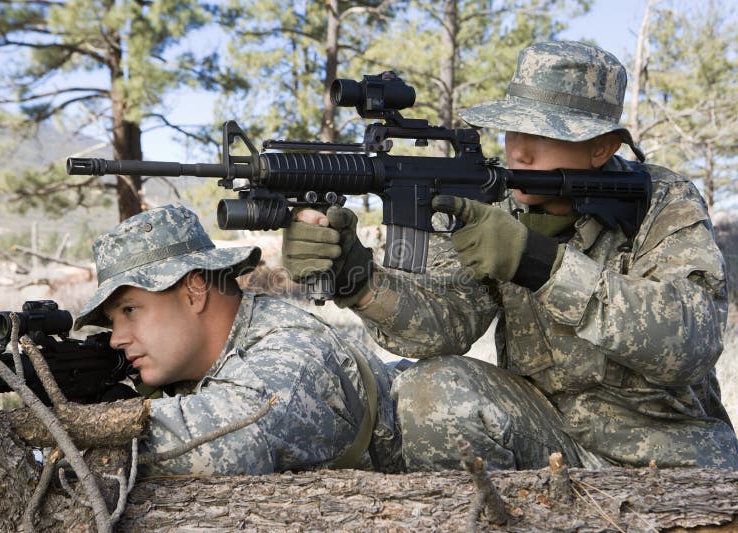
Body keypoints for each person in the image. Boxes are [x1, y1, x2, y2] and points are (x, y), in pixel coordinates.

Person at [283, 40, 738, 470]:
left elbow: (689, 342)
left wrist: (540, 265)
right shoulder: (498, 203)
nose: (518, 148)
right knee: (431, 391)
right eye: (513, 127)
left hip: (671, 454)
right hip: (550, 435)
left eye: (543, 131)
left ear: (603, 147)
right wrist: (359, 280)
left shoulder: (662, 198)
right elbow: (446, 324)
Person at [73, 203, 403, 476]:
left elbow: (221, 446)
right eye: (112, 321)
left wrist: (84, 422)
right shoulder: (199, 363)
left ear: (194, 291)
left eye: (129, 310)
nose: (116, 339)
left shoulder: (288, 352)